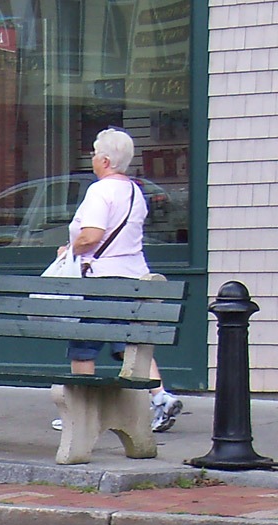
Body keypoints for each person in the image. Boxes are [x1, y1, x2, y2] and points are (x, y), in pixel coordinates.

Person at [54, 128, 182, 433]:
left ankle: (81, 413)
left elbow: (92, 236)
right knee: (129, 343)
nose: (93, 158)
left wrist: (70, 249)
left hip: (102, 280)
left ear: (107, 160)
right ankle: (161, 397)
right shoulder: (136, 191)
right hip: (135, 277)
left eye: (96, 153)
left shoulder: (100, 191)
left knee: (83, 348)